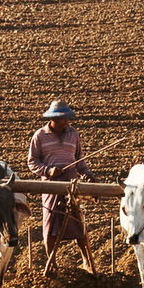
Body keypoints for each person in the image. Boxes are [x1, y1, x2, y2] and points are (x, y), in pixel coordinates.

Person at [27, 100, 97, 274]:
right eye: (62, 119)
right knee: (51, 223)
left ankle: (86, 260)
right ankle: (52, 262)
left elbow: (80, 161)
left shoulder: (73, 134)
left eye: (67, 118)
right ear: (53, 119)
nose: (66, 121)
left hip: (71, 184)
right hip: (51, 185)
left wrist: (88, 175)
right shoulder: (40, 135)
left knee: (78, 222)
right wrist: (48, 170)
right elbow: (32, 162)